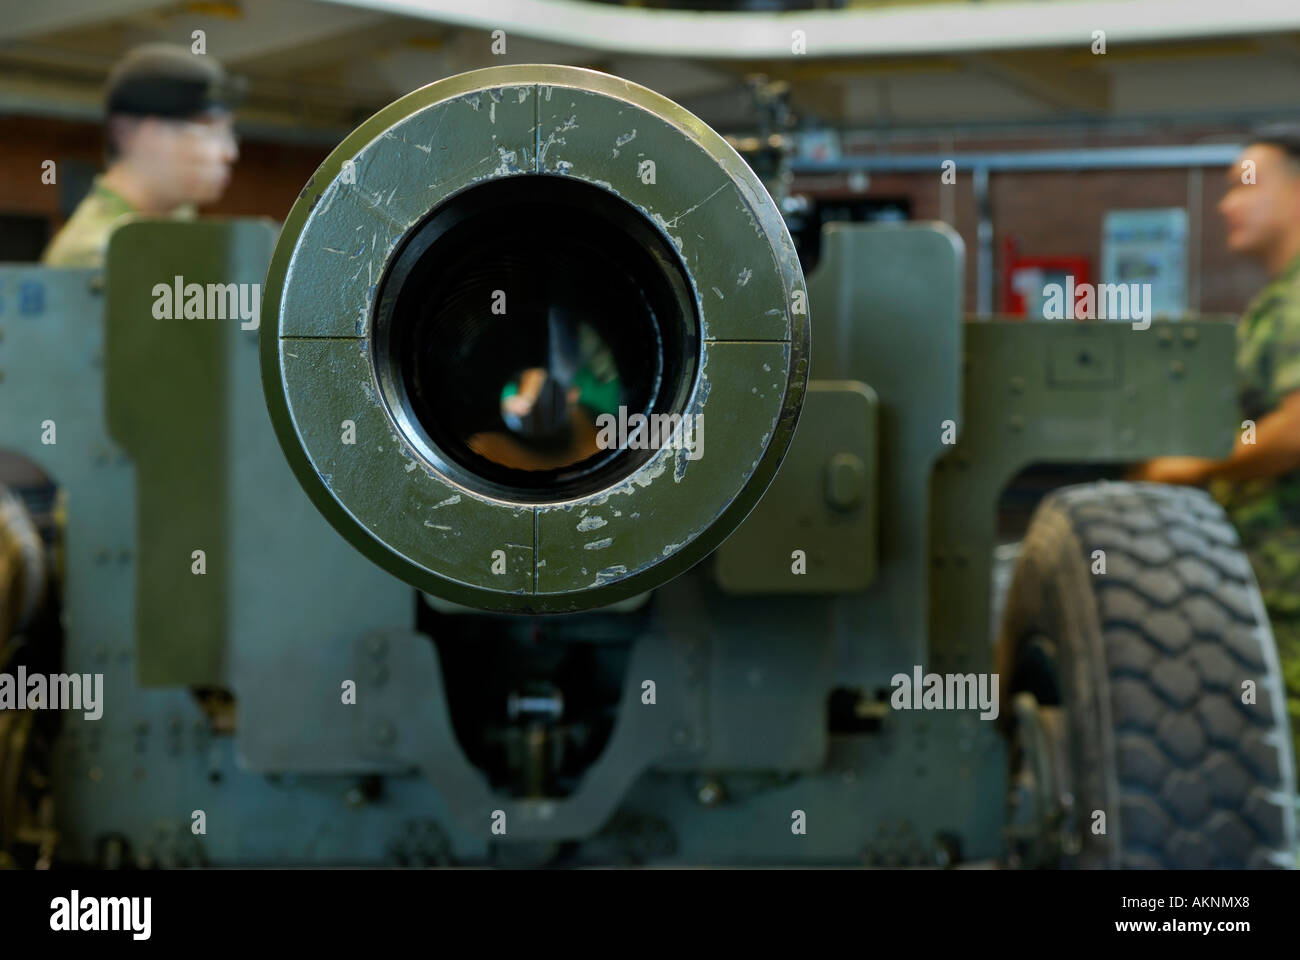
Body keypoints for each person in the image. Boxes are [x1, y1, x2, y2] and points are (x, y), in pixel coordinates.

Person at [1133, 123, 1300, 763]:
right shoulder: (1274, 303)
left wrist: (1190, 467)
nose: (1227, 203)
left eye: (1246, 185)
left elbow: (1295, 426)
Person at [41, 43, 242, 268]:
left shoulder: (174, 225)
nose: (230, 153)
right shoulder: (97, 258)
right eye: (210, 131)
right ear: (152, 136)